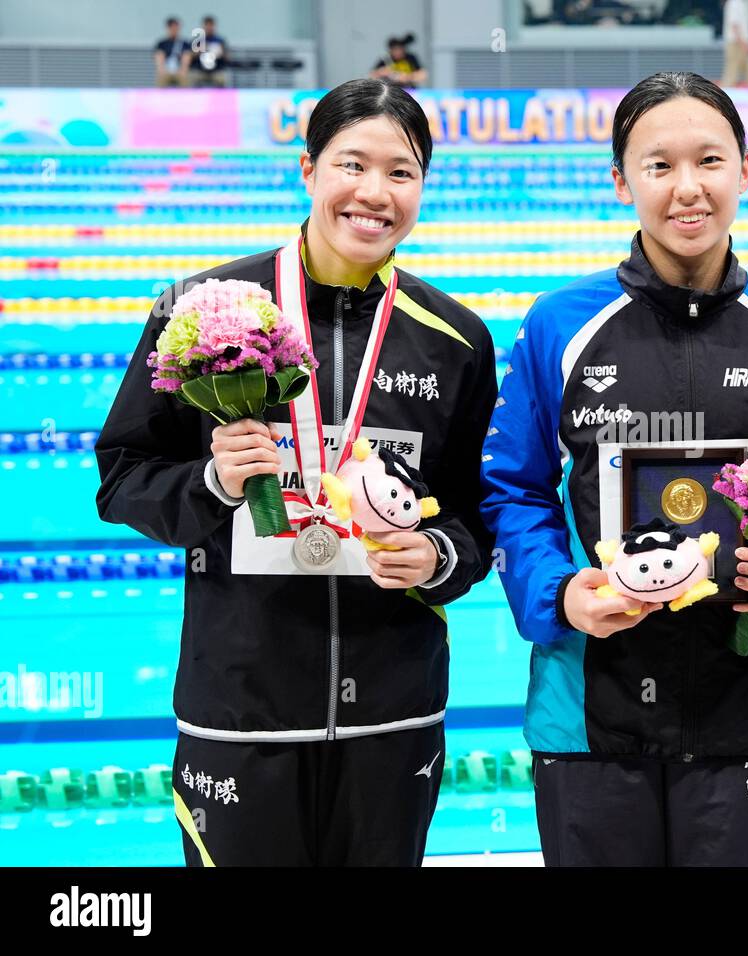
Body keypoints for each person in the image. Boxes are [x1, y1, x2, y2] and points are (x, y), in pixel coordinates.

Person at [95, 78, 497, 866]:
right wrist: (209, 483)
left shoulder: (455, 339)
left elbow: (479, 515)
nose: (374, 193)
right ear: (307, 168)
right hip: (240, 713)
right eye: (353, 164)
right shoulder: (203, 310)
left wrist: (440, 554)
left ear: (423, 187)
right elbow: (122, 480)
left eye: (402, 171)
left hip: (393, 714)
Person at [480, 71, 748, 867]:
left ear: (746, 170)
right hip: (588, 708)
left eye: (710, 161)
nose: (688, 188)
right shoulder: (561, 326)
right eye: (659, 166)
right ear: (621, 181)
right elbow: (510, 486)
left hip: (744, 706)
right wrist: (558, 593)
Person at [721, 0, 748, 87]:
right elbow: (734, 26)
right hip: (736, 44)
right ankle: (722, 98)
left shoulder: (740, 3)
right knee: (732, 74)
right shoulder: (734, 3)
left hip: (741, 43)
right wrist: (745, 45)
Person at [189, 15, 230, 88]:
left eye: (211, 25)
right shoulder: (197, 40)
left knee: (222, 78)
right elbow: (190, 57)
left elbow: (227, 58)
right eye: (207, 25)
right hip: (200, 70)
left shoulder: (220, 40)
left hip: (216, 70)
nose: (209, 28)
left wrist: (220, 52)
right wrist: (200, 50)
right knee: (192, 77)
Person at [154, 17, 190, 87]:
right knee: (161, 78)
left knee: (184, 79)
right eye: (172, 27)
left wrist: (182, 70)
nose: (174, 29)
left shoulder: (184, 43)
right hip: (166, 70)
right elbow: (159, 57)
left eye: (176, 27)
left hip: (180, 70)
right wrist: (162, 70)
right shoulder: (162, 43)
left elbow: (186, 58)